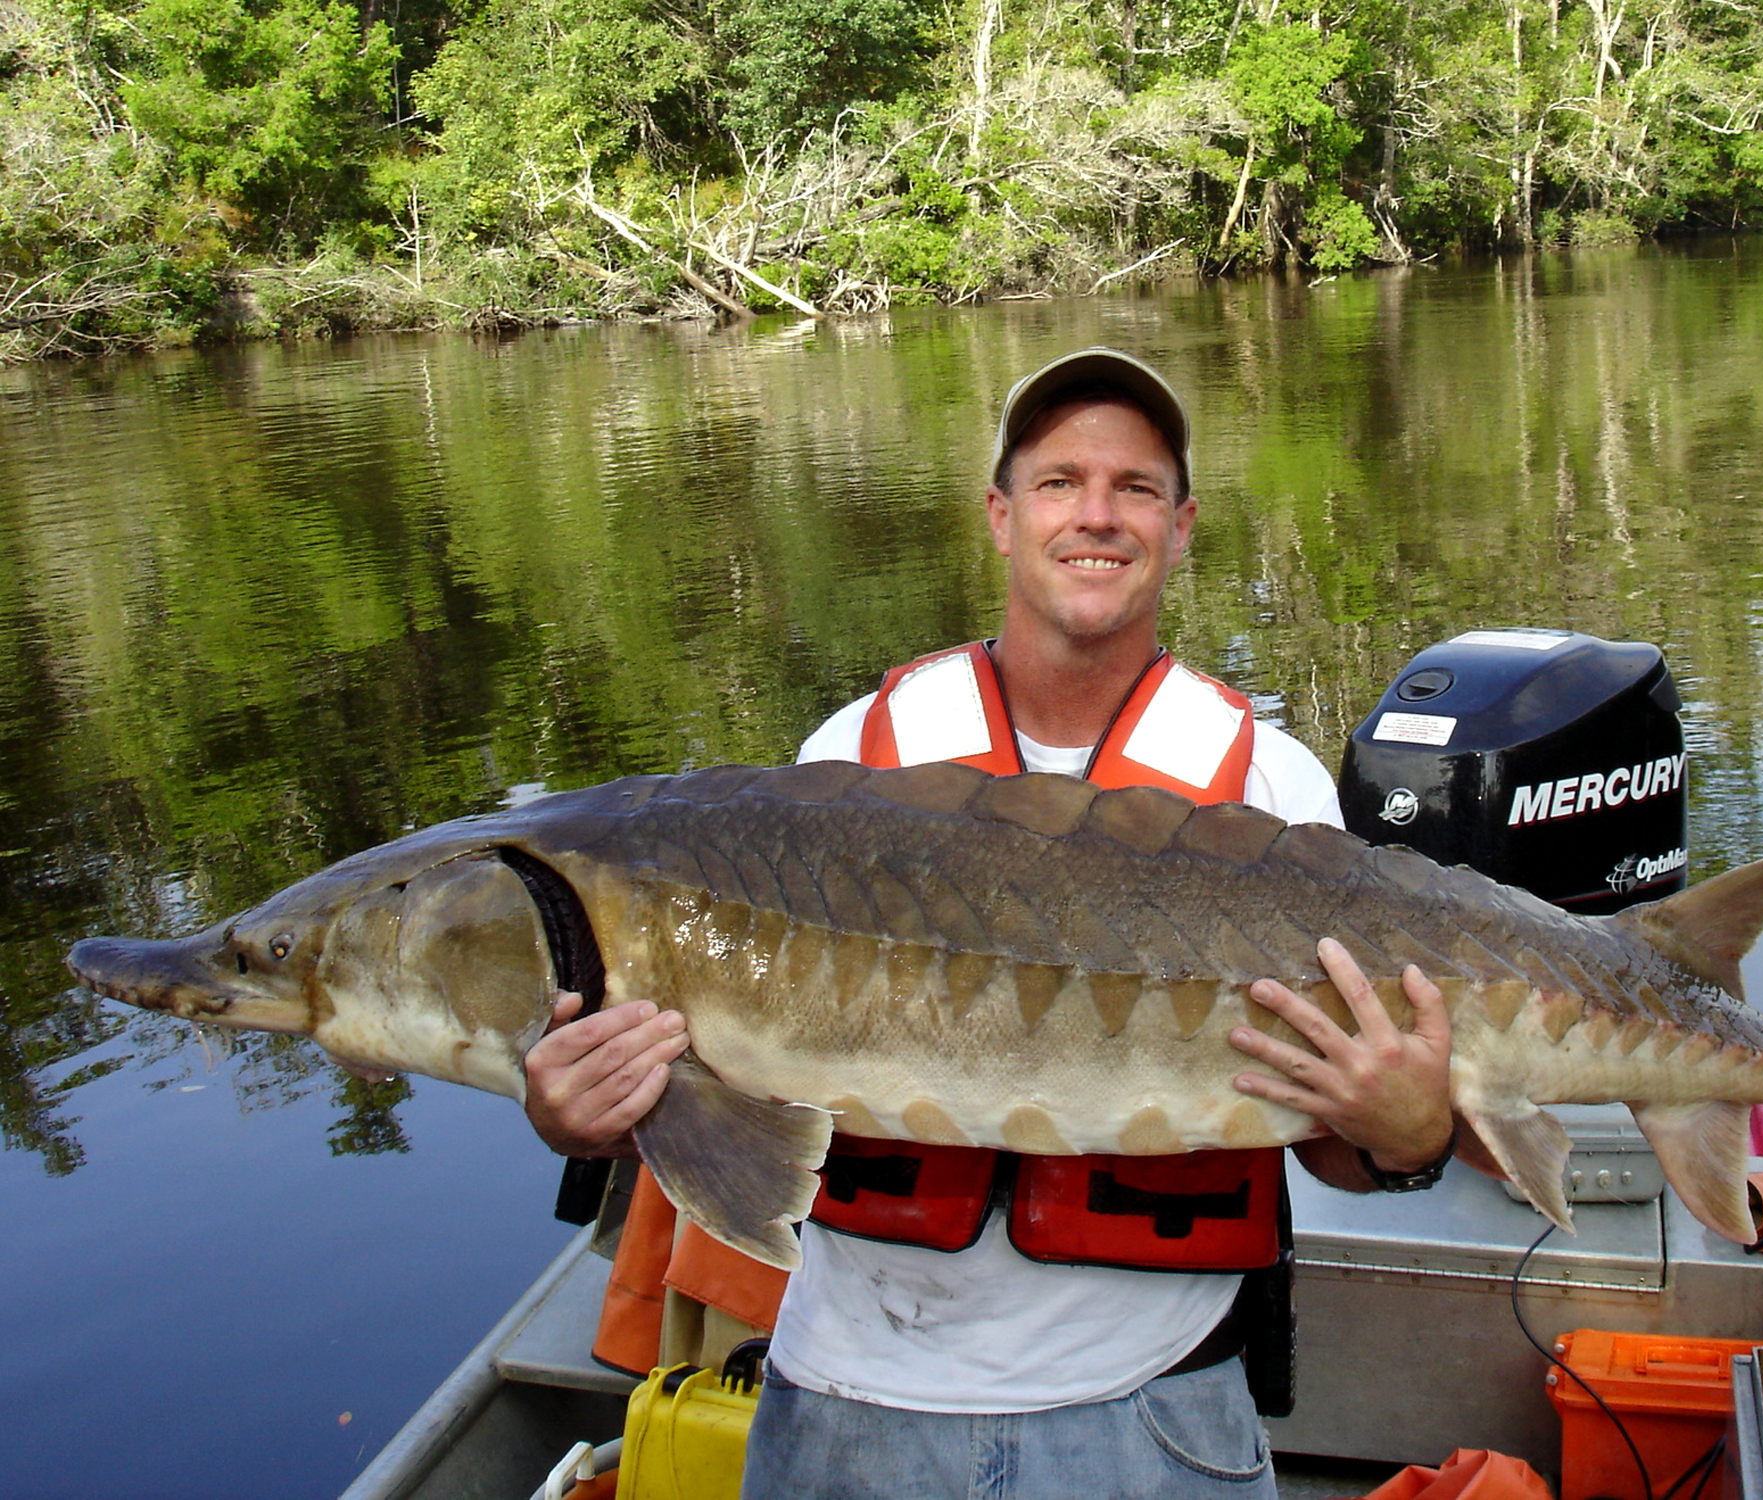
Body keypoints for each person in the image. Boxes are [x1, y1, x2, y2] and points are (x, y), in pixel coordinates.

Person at [523, 348, 1484, 1498]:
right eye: (1058, 481)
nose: (1096, 515)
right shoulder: (852, 758)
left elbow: (1336, 1145)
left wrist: (1414, 1138)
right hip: (846, 1411)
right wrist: (584, 1117)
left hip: (1155, 1413)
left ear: (1181, 527)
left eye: (1134, 488)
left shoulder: (1269, 789)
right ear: (999, 516)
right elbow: (714, 1080)